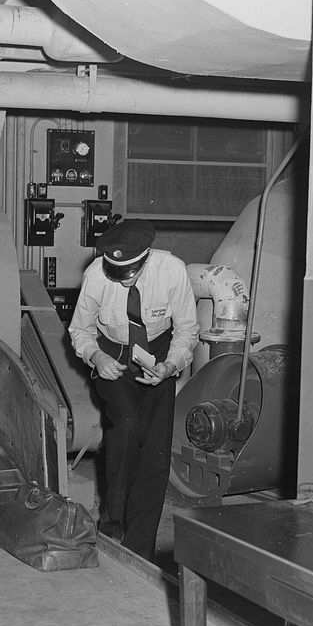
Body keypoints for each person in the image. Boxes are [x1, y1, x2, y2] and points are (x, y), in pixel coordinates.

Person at [68, 219, 199, 561]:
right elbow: (79, 330)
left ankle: (140, 549)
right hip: (113, 356)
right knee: (125, 427)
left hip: (159, 356)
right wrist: (96, 357)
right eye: (117, 270)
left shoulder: (172, 271)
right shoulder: (96, 275)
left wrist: (170, 366)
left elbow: (187, 329)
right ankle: (114, 518)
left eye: (130, 271)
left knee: (154, 453)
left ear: (145, 258)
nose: (123, 277)